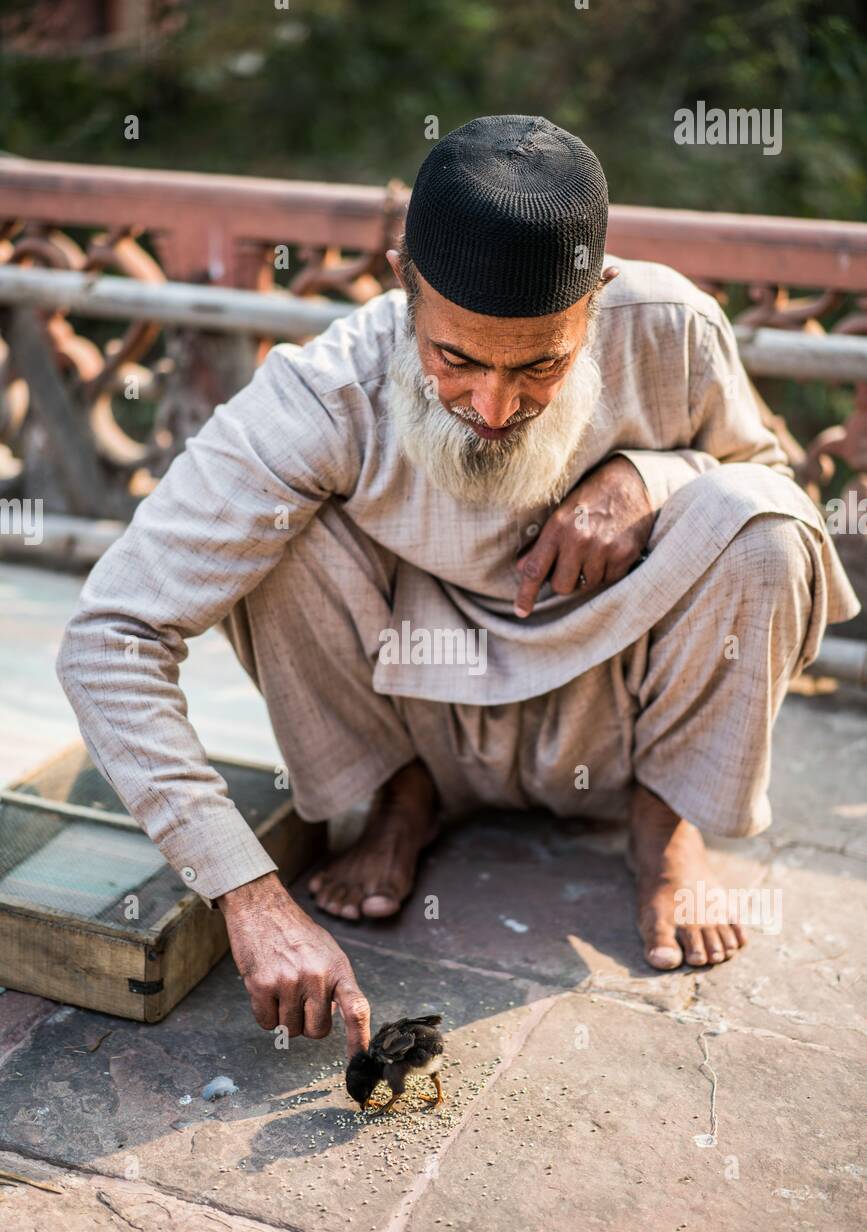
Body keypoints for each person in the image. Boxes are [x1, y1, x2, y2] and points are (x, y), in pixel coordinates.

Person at [56, 115, 859, 1055]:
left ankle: (666, 825)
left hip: (622, 720)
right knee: (278, 537)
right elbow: (107, 634)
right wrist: (247, 892)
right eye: (456, 360)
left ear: (597, 300)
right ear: (403, 286)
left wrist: (650, 477)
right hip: (420, 714)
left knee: (762, 529)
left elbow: (769, 482)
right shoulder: (322, 395)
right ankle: (401, 801)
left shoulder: (672, 328)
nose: (493, 407)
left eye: (540, 366)